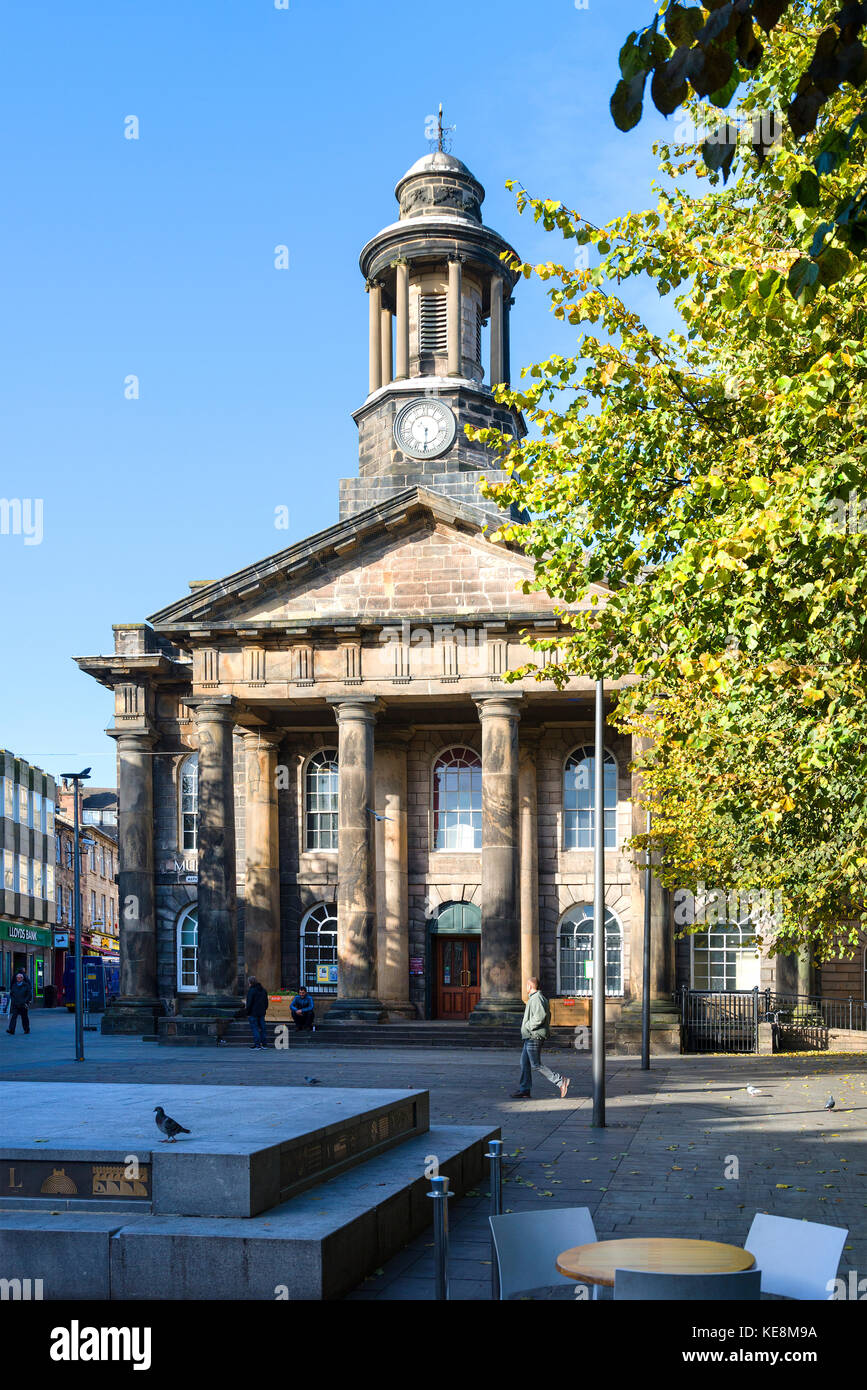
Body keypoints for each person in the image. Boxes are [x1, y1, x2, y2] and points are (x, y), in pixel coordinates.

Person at [511, 977, 570, 1100]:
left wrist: (528, 1026)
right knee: (524, 1063)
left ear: (530, 986)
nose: (525, 988)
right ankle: (524, 1090)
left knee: (536, 1064)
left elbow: (540, 1016)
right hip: (531, 1036)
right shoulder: (536, 998)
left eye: (526, 986)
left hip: (534, 1036)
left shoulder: (536, 998)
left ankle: (560, 1081)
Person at [245, 975, 269, 1050]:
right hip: (261, 1012)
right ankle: (264, 1045)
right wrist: (264, 1009)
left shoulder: (251, 991)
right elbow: (266, 1003)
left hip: (253, 1013)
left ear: (250, 983)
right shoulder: (263, 990)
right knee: (262, 1029)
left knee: (255, 1028)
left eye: (248, 983)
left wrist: (247, 1012)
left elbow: (249, 1003)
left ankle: (257, 1045)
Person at [6, 971, 33, 1036]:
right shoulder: (14, 985)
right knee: (13, 1017)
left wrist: (26, 1001)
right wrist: (13, 1001)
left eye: (20, 978)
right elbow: (12, 994)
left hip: (23, 1004)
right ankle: (11, 1030)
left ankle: (26, 1029)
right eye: (17, 978)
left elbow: (29, 995)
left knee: (24, 1018)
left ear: (22, 978)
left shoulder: (26, 985)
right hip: (15, 1004)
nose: (18, 979)